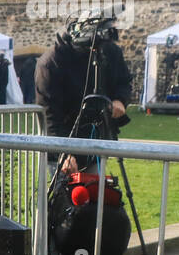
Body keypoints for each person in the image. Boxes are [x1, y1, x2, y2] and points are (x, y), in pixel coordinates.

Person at [34, 9, 133, 174]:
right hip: (61, 141)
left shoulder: (109, 51)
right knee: (64, 188)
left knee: (94, 187)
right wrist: (63, 152)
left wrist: (120, 100)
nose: (98, 51)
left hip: (95, 142)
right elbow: (49, 113)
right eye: (94, 47)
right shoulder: (51, 63)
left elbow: (124, 81)